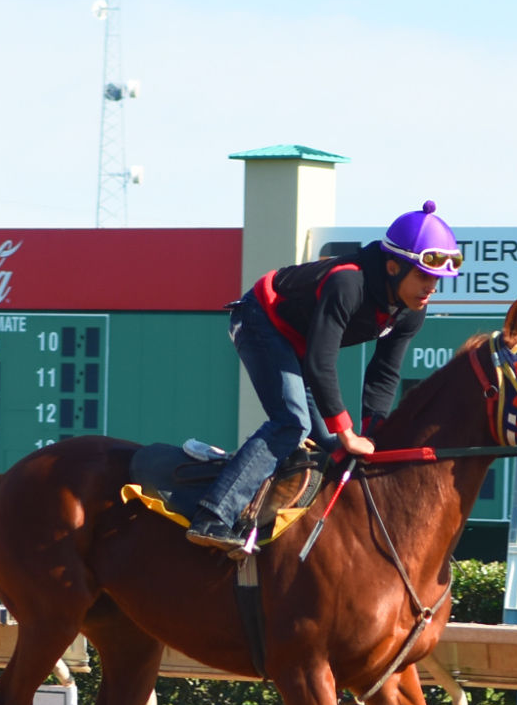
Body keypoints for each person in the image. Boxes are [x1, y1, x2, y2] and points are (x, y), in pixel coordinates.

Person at [186, 200, 462, 550]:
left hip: (300, 344)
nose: (431, 288)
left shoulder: (412, 311)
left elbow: (383, 374)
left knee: (331, 448)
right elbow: (320, 361)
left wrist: (372, 435)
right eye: (424, 276)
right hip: (260, 321)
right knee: (293, 423)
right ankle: (214, 515)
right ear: (392, 267)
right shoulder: (348, 282)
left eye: (437, 279)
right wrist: (348, 432)